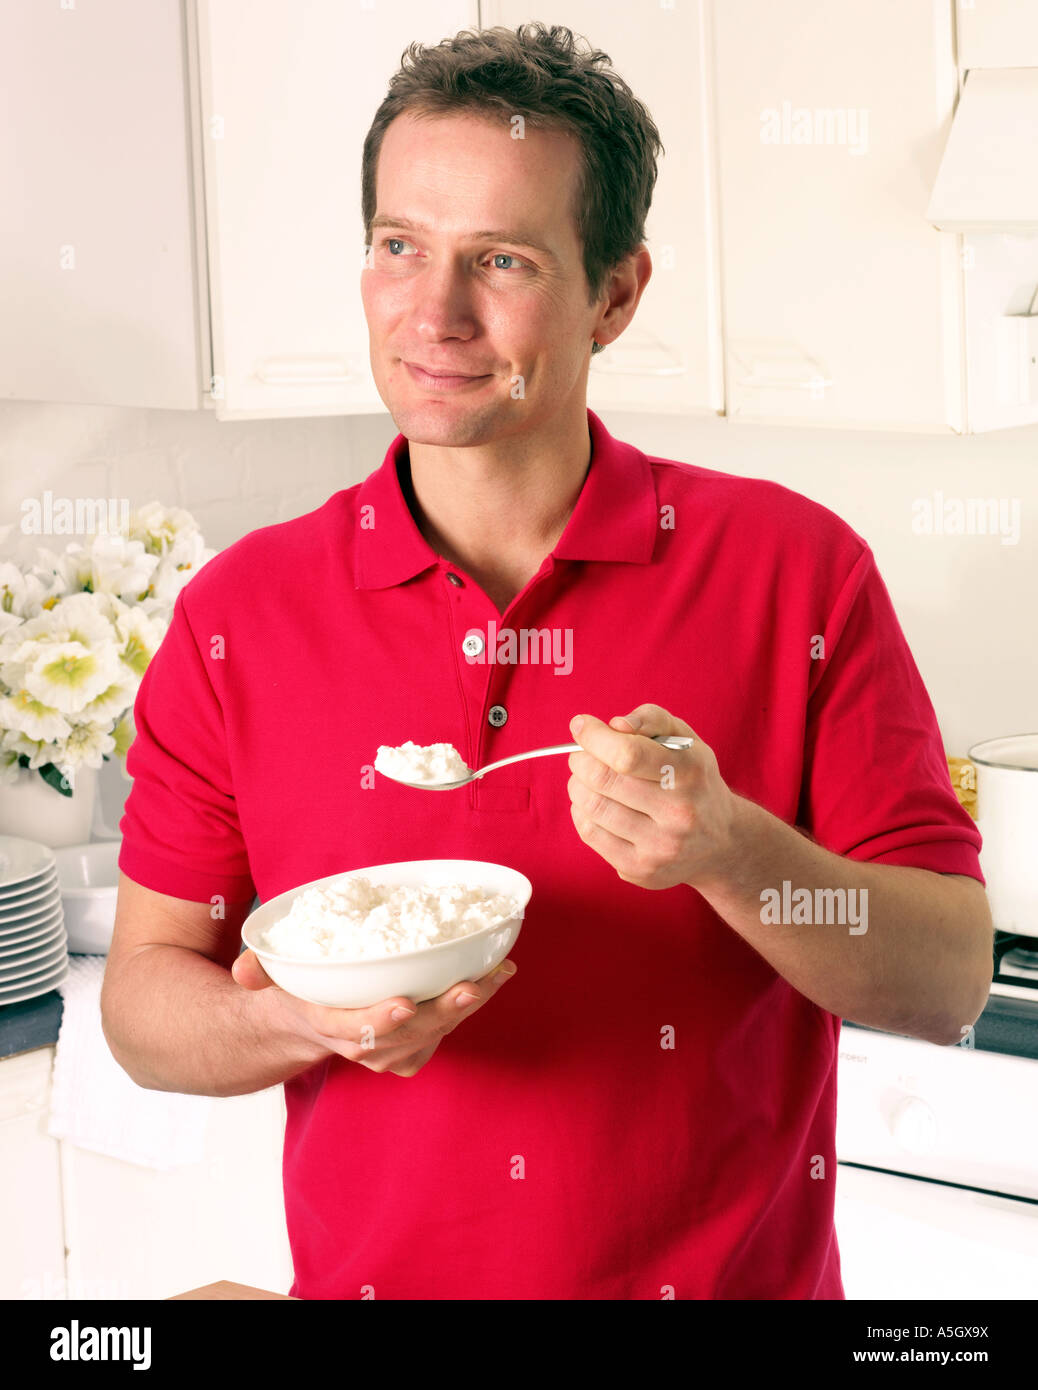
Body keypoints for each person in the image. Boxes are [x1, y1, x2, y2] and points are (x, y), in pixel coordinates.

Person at [102, 23, 992, 1300]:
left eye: (501, 260)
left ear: (615, 296)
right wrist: (290, 1023)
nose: (433, 312)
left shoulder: (795, 570)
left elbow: (949, 975)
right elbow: (144, 997)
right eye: (399, 246)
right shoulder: (241, 611)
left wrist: (734, 850)